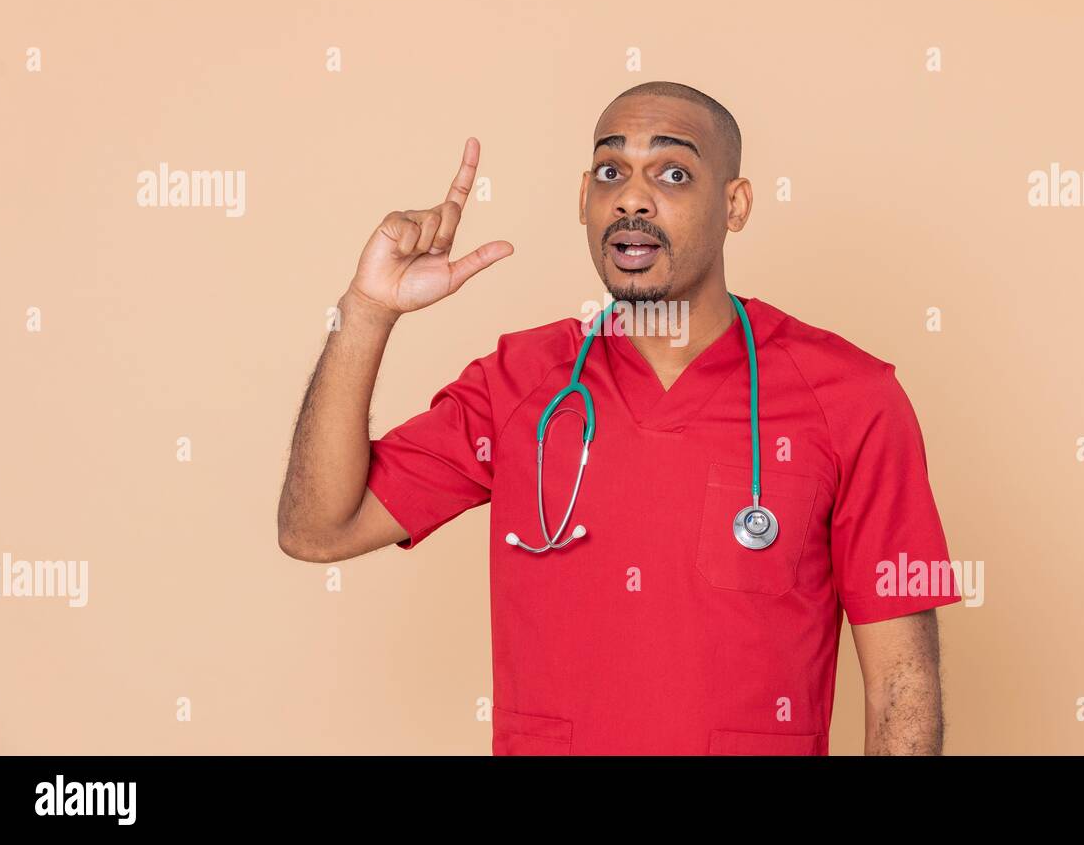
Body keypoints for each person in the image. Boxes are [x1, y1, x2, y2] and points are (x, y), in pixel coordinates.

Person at [277, 81, 963, 755]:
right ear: (584, 199)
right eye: (611, 172)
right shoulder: (517, 383)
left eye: (672, 172)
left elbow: (904, 684)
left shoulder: (855, 397)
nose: (632, 198)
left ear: (735, 205)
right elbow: (316, 530)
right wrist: (367, 309)